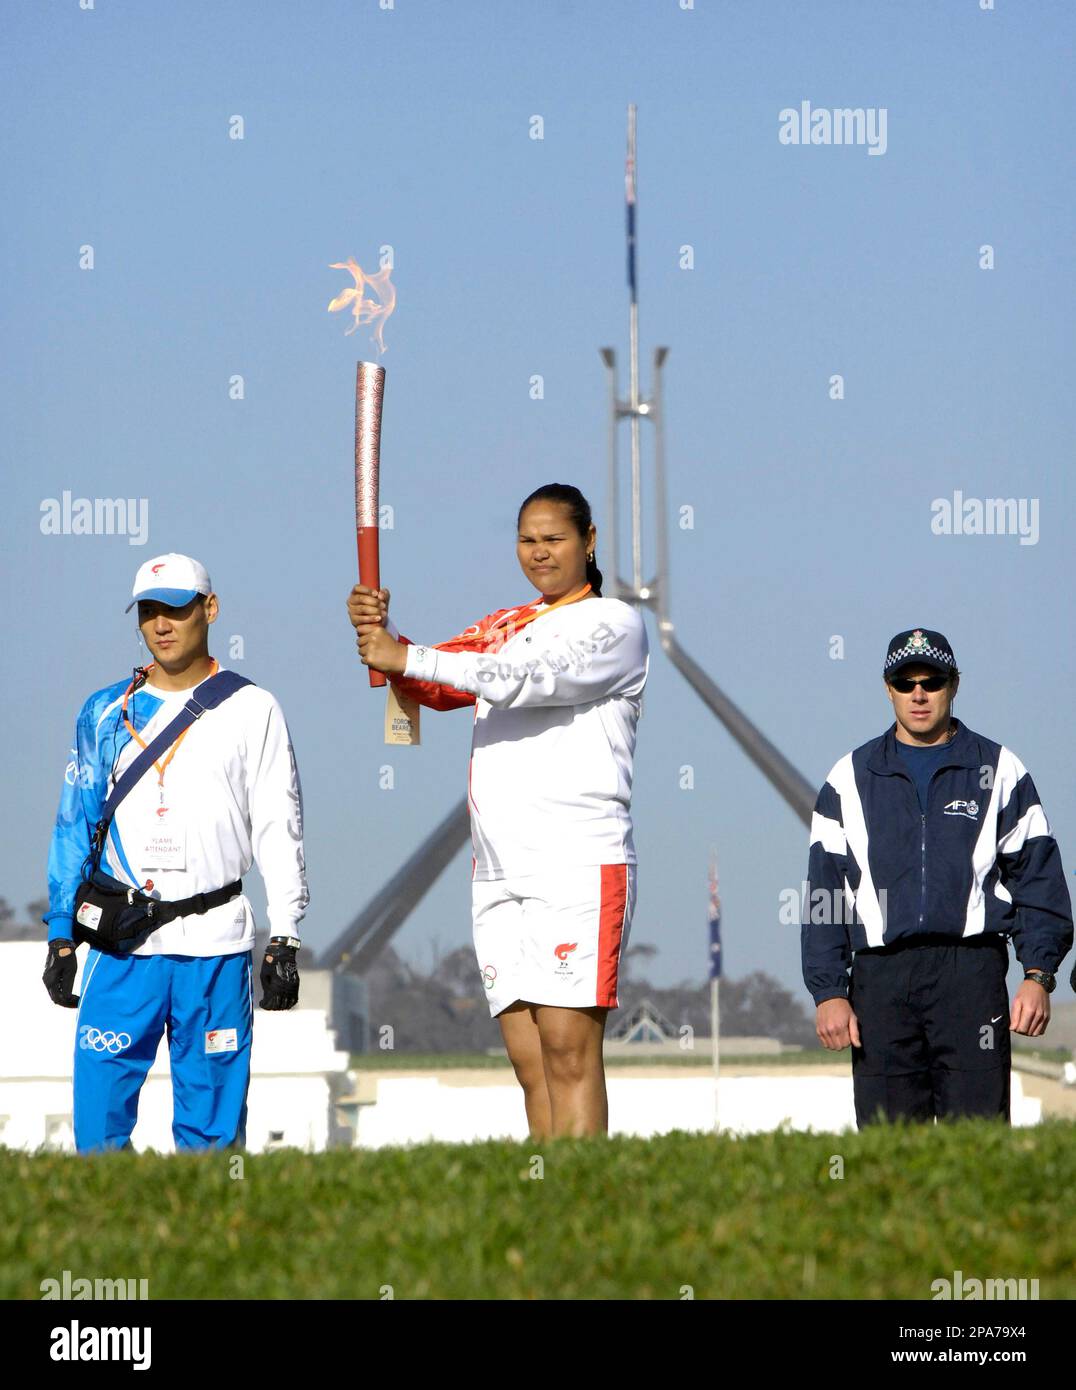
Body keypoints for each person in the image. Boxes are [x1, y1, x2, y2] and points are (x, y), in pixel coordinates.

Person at [346, 484, 649, 1138]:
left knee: (569, 1047)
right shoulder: (506, 625)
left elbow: (526, 678)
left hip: (576, 862)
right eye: (527, 540)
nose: (539, 553)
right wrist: (383, 634)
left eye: (554, 538)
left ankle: (584, 1196)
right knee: (530, 1058)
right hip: (498, 870)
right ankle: (544, 1197)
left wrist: (407, 654)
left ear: (589, 541)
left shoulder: (614, 625)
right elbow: (432, 680)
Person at [42, 553, 308, 1153]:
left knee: (211, 1134)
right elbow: (72, 824)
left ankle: (207, 1240)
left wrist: (285, 933)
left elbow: (279, 825)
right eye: (149, 611)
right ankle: (112, 1238)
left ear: (209, 610)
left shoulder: (252, 707)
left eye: (178, 609)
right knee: (98, 1126)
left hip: (214, 945)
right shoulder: (104, 711)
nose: (162, 624)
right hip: (122, 944)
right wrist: (61, 933)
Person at [801, 627, 1072, 1126]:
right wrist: (829, 991)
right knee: (889, 1141)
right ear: (888, 689)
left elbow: (1039, 881)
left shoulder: (1000, 769)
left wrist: (1038, 975)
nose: (919, 694)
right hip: (881, 980)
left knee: (979, 1135)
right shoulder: (848, 778)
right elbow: (825, 895)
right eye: (905, 682)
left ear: (955, 684)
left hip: (969, 975)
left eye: (933, 680)